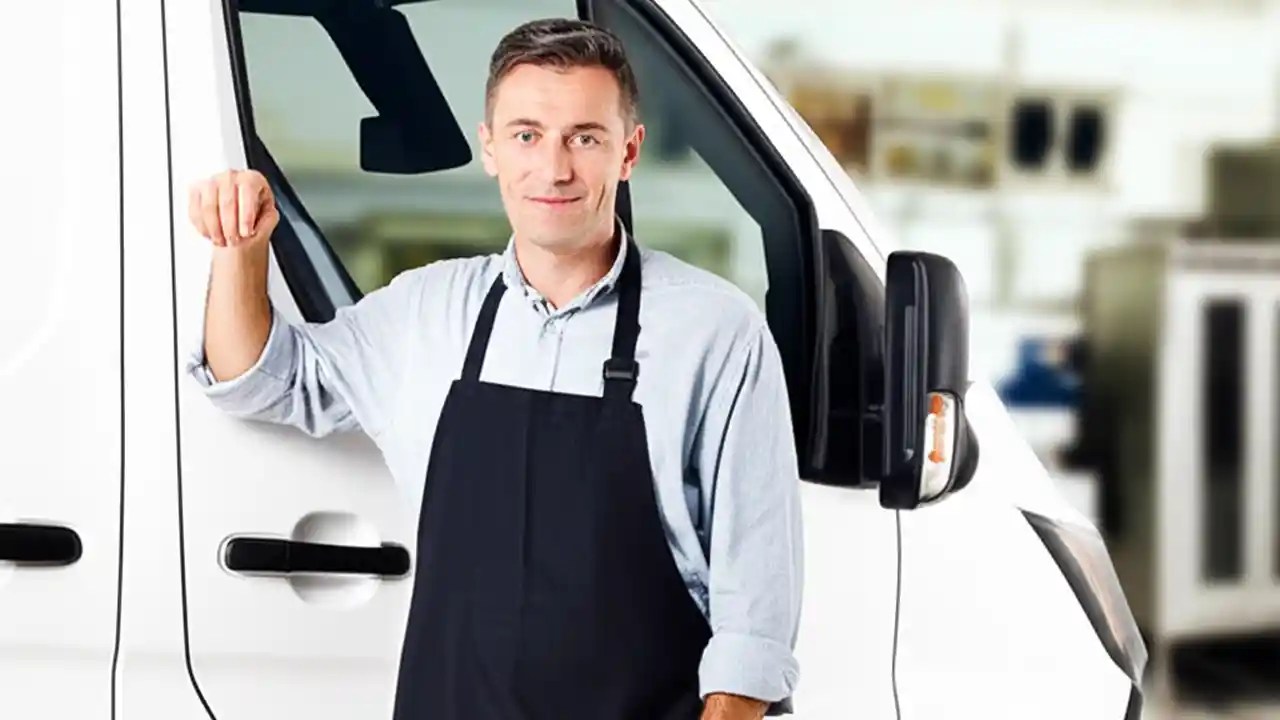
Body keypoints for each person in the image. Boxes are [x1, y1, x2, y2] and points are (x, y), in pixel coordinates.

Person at [186, 17, 802, 720]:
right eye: (527, 135)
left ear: (628, 152)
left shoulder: (716, 331)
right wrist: (241, 246)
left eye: (585, 137)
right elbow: (261, 380)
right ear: (491, 150)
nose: (555, 167)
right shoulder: (428, 310)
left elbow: (755, 614)